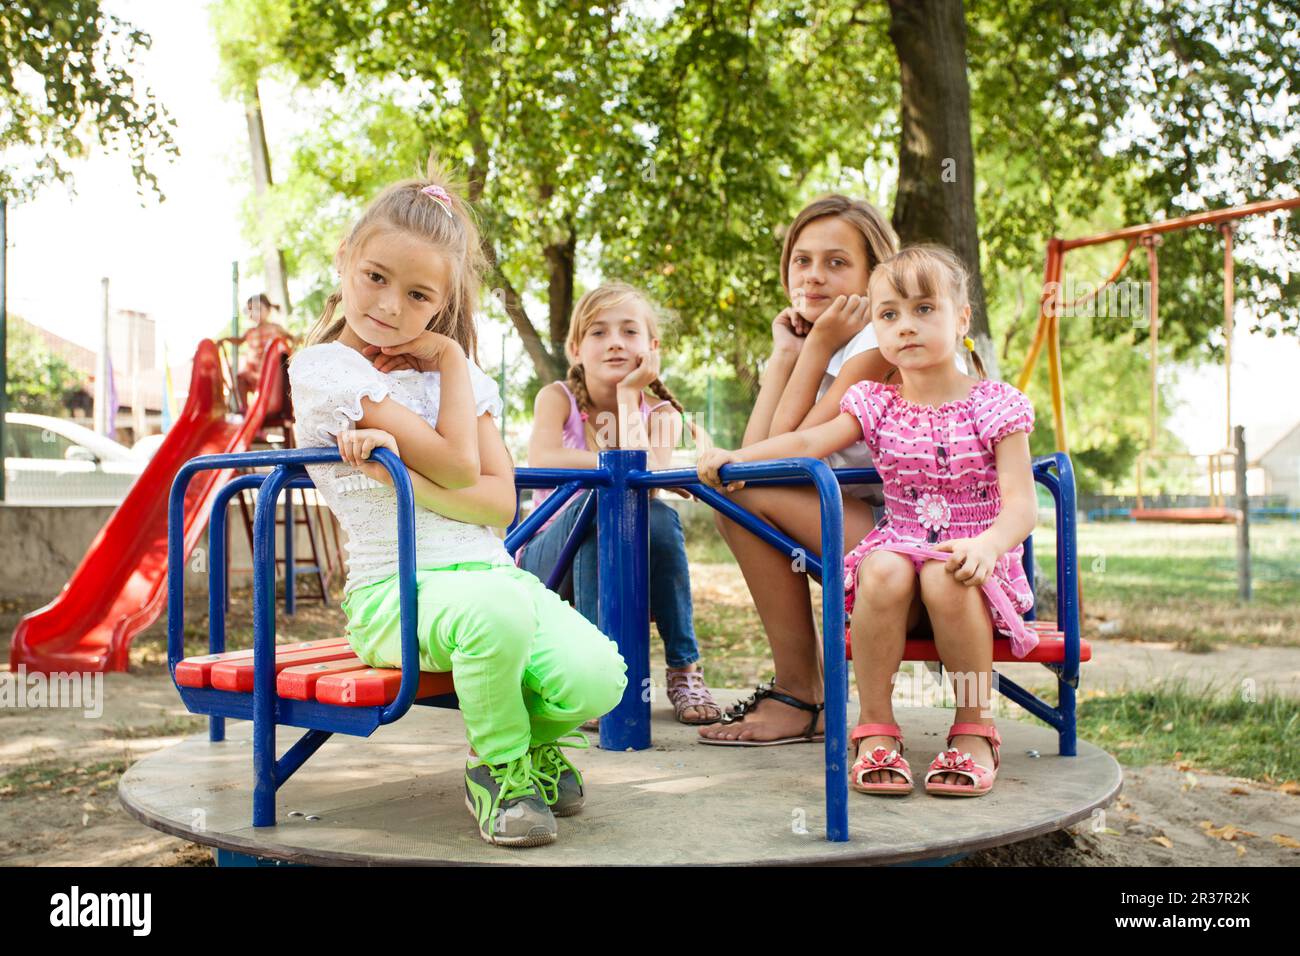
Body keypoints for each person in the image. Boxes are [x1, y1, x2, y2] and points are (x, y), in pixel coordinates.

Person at [287, 160, 627, 847]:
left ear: (440, 305)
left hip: (492, 576)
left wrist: (438, 379)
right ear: (345, 259)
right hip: (393, 590)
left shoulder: (460, 372)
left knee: (600, 677)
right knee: (493, 615)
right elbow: (461, 464)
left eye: (418, 297)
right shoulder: (326, 369)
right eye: (375, 278)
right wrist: (439, 471)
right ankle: (499, 767)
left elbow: (499, 504)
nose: (389, 307)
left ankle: (532, 744)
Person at [696, 245, 1038, 798]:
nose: (906, 326)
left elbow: (1022, 505)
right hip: (898, 547)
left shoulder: (996, 404)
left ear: (962, 318)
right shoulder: (876, 402)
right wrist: (737, 459)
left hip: (975, 562)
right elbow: (808, 442)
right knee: (882, 568)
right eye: (889, 315)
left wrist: (988, 544)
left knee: (942, 572)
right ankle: (875, 727)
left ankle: (975, 727)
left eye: (925, 309)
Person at [698, 194, 899, 746]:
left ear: (873, 276)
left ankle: (801, 695)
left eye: (837, 262)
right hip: (882, 535)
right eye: (801, 261)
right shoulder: (833, 345)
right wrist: (787, 356)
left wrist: (813, 351)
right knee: (732, 498)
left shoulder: (880, 344)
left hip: (927, 553)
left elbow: (781, 459)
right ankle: (801, 693)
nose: (813, 277)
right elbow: (753, 457)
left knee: (737, 498)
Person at [518, 283, 721, 726]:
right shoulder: (557, 399)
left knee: (656, 516)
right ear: (575, 348)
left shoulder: (662, 414)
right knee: (601, 498)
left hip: (618, 549)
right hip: (545, 559)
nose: (614, 341)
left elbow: (646, 484)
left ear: (651, 349)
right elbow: (545, 458)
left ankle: (680, 668)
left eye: (629, 332)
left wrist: (631, 397)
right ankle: (595, 671)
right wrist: (617, 470)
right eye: (598, 332)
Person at [220, 294, 295, 408]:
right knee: (240, 378)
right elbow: (239, 340)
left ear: (269, 310)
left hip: (272, 373)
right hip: (254, 372)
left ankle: (286, 408)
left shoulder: (275, 328)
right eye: (250, 310)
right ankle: (244, 410)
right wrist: (226, 339)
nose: (254, 313)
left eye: (258, 309)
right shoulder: (250, 331)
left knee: (286, 378)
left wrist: (295, 342)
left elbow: (290, 338)